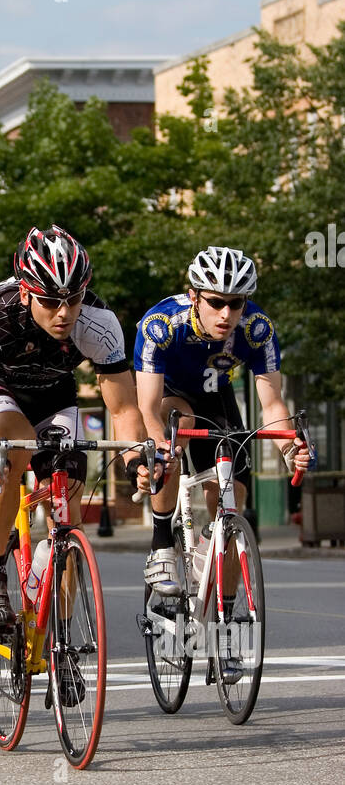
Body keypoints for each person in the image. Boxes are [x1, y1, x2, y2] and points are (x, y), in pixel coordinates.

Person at [0, 225, 158, 643]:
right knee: (14, 451)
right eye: (50, 301)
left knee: (68, 505)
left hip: (56, 396)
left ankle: (62, 636)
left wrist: (136, 458)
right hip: (3, 393)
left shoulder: (99, 324)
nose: (64, 313)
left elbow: (122, 408)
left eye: (74, 299)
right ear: (27, 293)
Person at [134, 245, 311, 600]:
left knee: (233, 499)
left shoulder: (256, 329)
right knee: (173, 428)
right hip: (171, 394)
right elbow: (148, 408)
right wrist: (160, 451)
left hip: (217, 396)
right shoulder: (162, 325)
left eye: (237, 303)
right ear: (194, 296)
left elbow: (272, 402)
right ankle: (162, 543)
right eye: (216, 302)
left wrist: (290, 448)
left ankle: (226, 619)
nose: (226, 313)